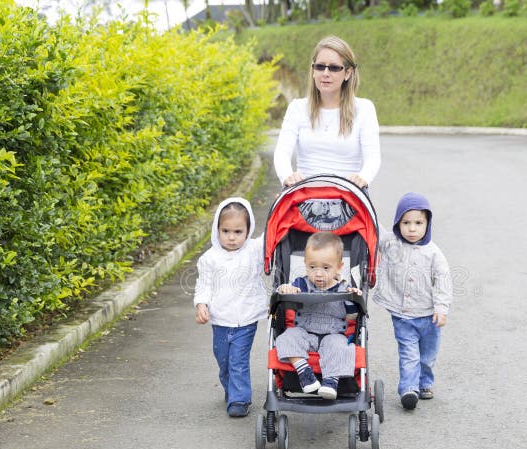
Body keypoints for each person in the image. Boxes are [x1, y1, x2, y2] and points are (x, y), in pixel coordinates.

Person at [373, 193, 453, 410]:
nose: (411, 229)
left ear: (427, 224)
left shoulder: (433, 253)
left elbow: (443, 281)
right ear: (397, 223)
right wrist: (363, 197)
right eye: (406, 223)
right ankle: (409, 389)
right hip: (403, 315)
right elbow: (374, 227)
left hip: (429, 316)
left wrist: (441, 308)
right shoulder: (391, 243)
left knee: (427, 357)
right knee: (409, 354)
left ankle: (425, 383)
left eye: (418, 223)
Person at [273, 35, 381, 189]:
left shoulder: (364, 109)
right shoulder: (297, 108)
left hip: (347, 194)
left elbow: (373, 157)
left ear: (348, 73)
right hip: (304, 193)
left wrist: (363, 177)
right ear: (313, 70)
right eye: (320, 66)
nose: (325, 73)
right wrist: (287, 176)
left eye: (334, 68)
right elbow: (282, 152)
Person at [194, 198, 268, 417]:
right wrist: (201, 304)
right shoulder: (209, 258)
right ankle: (231, 388)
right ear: (217, 229)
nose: (232, 237)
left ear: (248, 230)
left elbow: (271, 234)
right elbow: (203, 285)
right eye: (225, 231)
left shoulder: (253, 250)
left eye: (238, 231)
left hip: (246, 319)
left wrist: (280, 203)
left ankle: (240, 399)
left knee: (238, 360)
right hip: (220, 320)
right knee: (224, 360)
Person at [274, 231, 362, 400]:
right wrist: (286, 289)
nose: (318, 273)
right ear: (305, 264)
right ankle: (304, 372)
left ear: (339, 267)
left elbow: (352, 318)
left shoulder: (345, 288)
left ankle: (331, 382)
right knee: (286, 337)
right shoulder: (301, 284)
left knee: (340, 347)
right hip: (304, 333)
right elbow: (283, 294)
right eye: (312, 267)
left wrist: (354, 298)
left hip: (333, 334)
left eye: (326, 268)